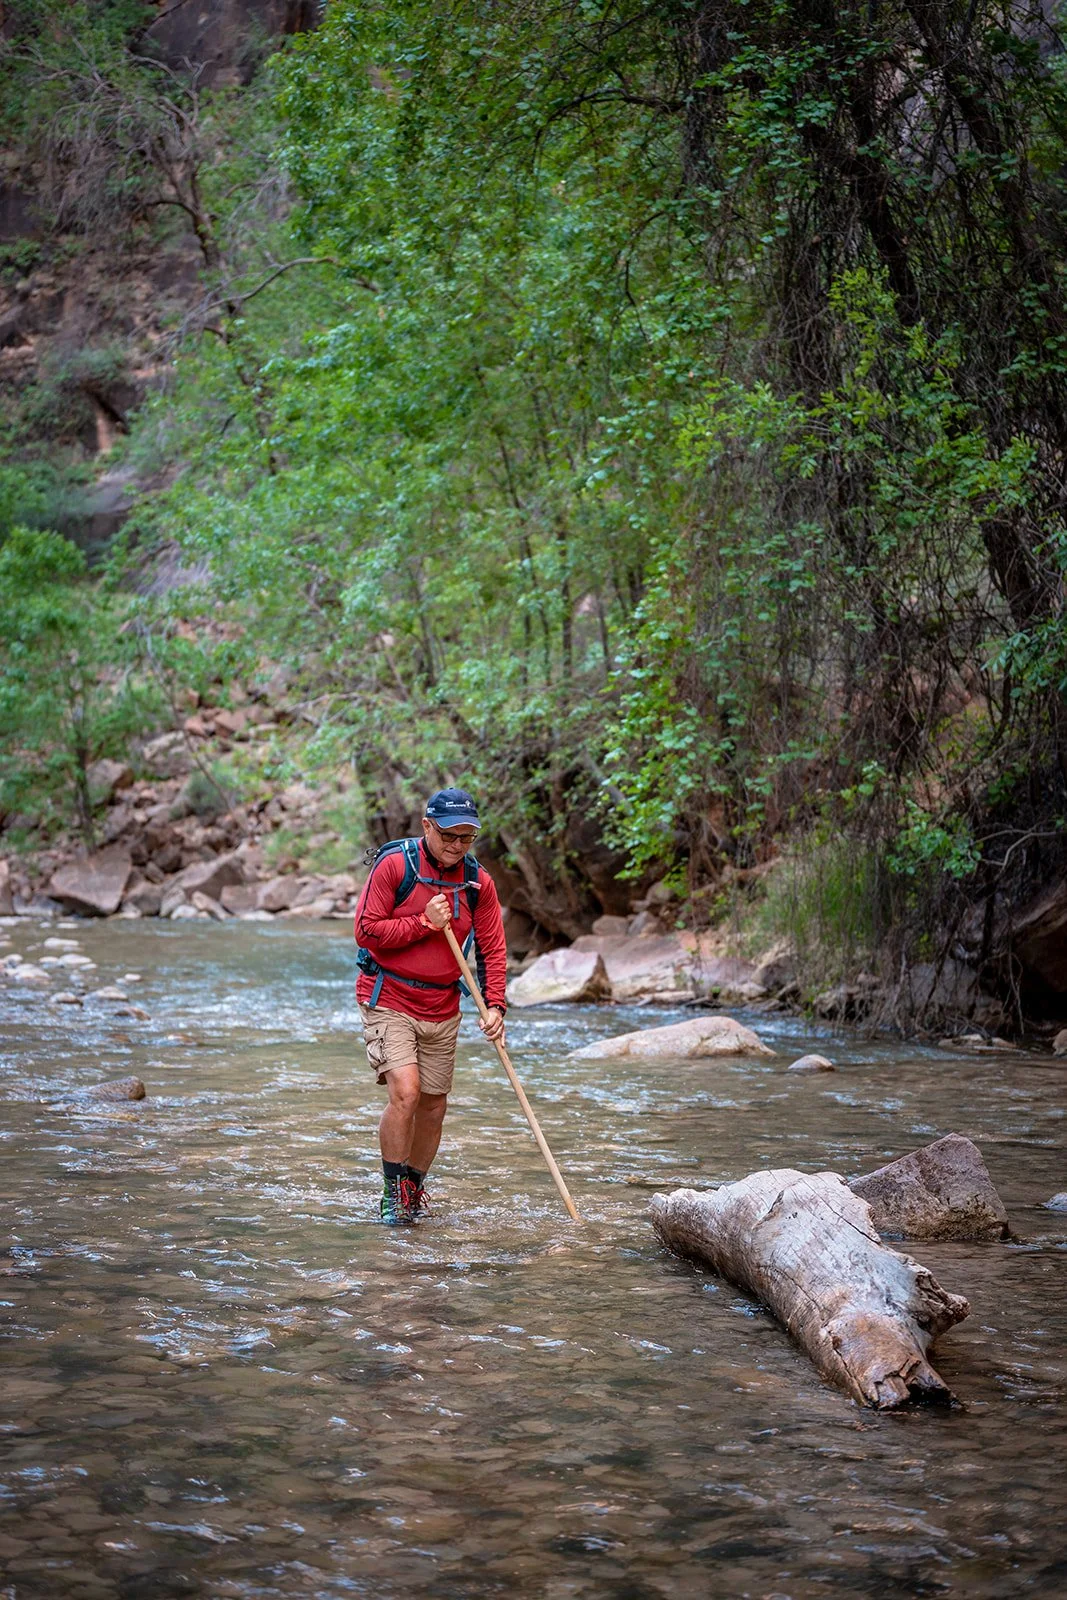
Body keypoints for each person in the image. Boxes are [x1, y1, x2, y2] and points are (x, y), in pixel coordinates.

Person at [353, 787, 508, 1224]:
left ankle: (412, 1189)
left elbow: (493, 949)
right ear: (427, 826)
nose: (457, 845)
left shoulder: (477, 882)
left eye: (466, 838)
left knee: (434, 1105)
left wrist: (495, 1005)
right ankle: (391, 1192)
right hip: (388, 997)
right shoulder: (395, 865)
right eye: (448, 835)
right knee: (406, 1091)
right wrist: (424, 923)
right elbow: (366, 931)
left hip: (442, 1006)